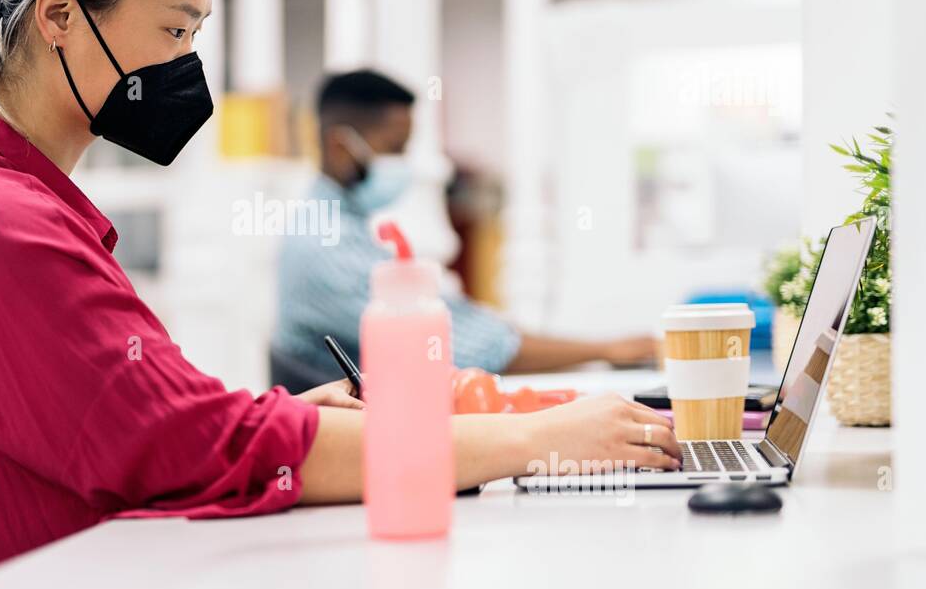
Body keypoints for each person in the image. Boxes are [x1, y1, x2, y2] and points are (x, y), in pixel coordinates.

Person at [0, 0, 678, 589]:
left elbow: (141, 429)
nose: (187, 64)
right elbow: (186, 448)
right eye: (175, 31)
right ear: (61, 13)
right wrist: (533, 441)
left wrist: (279, 418)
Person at [273, 70, 658, 377]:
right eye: (395, 149)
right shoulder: (326, 245)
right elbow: (471, 348)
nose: (404, 165)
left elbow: (469, 325)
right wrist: (604, 350)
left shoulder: (343, 226)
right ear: (342, 147)